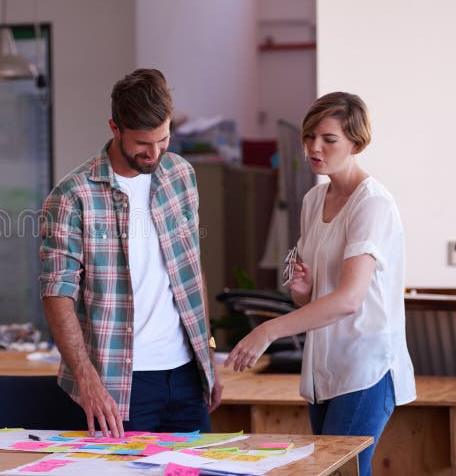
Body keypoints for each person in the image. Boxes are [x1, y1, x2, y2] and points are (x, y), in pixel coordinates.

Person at [224, 91, 416, 476]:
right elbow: (311, 298)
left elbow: (348, 300)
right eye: (310, 136)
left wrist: (267, 331)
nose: (314, 147)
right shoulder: (313, 199)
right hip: (323, 370)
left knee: (338, 472)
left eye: (328, 139)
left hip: (366, 368)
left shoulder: (372, 204)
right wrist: (302, 290)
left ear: (355, 143)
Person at [40, 68, 222, 438]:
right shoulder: (73, 196)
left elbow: (190, 271)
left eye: (163, 139)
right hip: (117, 384)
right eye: (142, 143)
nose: (154, 154)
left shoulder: (180, 175)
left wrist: (208, 356)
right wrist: (87, 381)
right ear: (115, 128)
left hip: (186, 377)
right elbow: (57, 294)